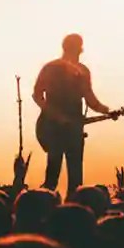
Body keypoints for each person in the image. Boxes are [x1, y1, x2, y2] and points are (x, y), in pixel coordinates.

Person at [33, 34, 111, 193]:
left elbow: (90, 99)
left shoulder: (80, 71)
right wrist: (55, 115)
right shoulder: (52, 68)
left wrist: (106, 111)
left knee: (73, 175)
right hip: (54, 127)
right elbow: (37, 95)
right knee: (55, 172)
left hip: (73, 127)